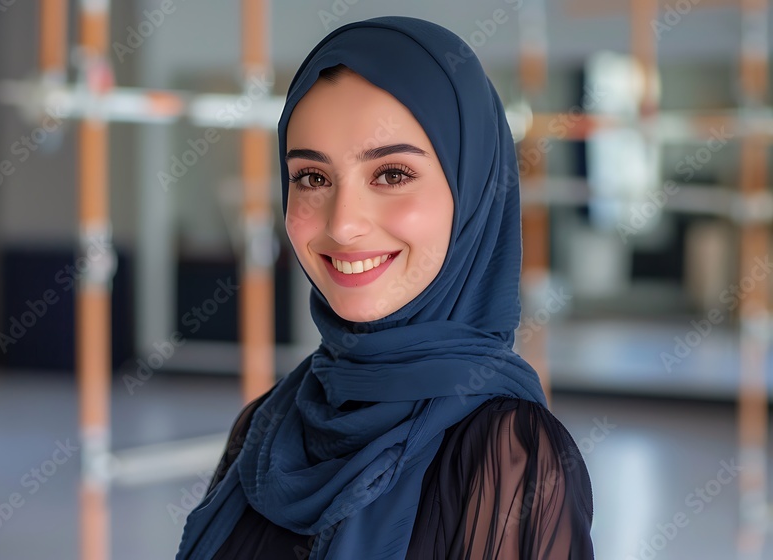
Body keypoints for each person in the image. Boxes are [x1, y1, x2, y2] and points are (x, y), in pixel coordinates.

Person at [175, 15, 594, 560]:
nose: (342, 224)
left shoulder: (511, 455)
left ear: (472, 194)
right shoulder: (265, 425)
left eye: (392, 174)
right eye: (312, 177)